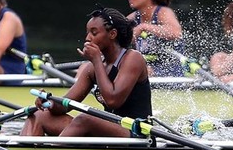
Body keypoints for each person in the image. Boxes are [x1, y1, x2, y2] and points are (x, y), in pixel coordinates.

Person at [21, 7, 152, 138]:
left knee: (85, 119)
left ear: (112, 34)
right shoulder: (92, 68)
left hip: (136, 133)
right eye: (87, 32)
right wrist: (49, 102)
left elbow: (113, 100)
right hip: (108, 130)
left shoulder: (133, 58)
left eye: (94, 33)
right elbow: (65, 105)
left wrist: (96, 61)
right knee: (38, 115)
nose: (88, 38)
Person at [124, 0, 185, 77]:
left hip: (173, 71)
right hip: (146, 71)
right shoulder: (132, 18)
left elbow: (176, 32)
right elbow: (117, 42)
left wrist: (145, 27)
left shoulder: (163, 12)